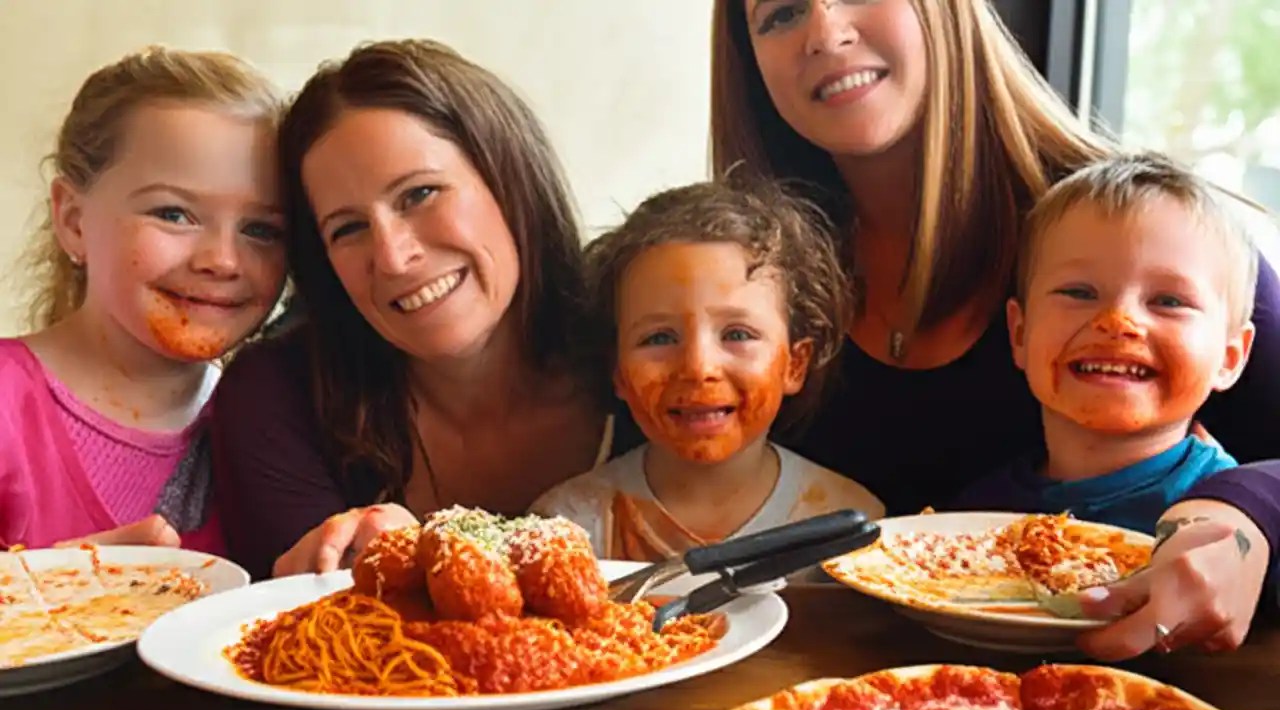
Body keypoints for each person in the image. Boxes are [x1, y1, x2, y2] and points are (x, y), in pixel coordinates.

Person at [710, 0, 1280, 659]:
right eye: (780, 13)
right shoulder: (746, 278)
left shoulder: (1147, 231)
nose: (824, 32)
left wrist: (1246, 517)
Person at [211, 39, 641, 580]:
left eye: (420, 194)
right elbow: (313, 621)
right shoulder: (276, 397)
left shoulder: (649, 346)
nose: (393, 257)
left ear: (510, 179)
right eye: (348, 228)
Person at [0, 46, 287, 553]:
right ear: (73, 221)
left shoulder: (274, 426)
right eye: (173, 214)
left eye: (260, 229)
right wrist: (35, 590)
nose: (223, 261)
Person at [531, 178, 884, 561]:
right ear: (617, 371)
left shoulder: (850, 524)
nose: (699, 367)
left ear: (794, 365)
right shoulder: (567, 529)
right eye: (659, 338)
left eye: (737, 334)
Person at [950, 153, 1255, 533]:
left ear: (1230, 357)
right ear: (1020, 334)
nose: (1117, 321)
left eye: (1168, 301)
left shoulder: (1238, 526)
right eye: (1079, 292)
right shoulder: (971, 520)